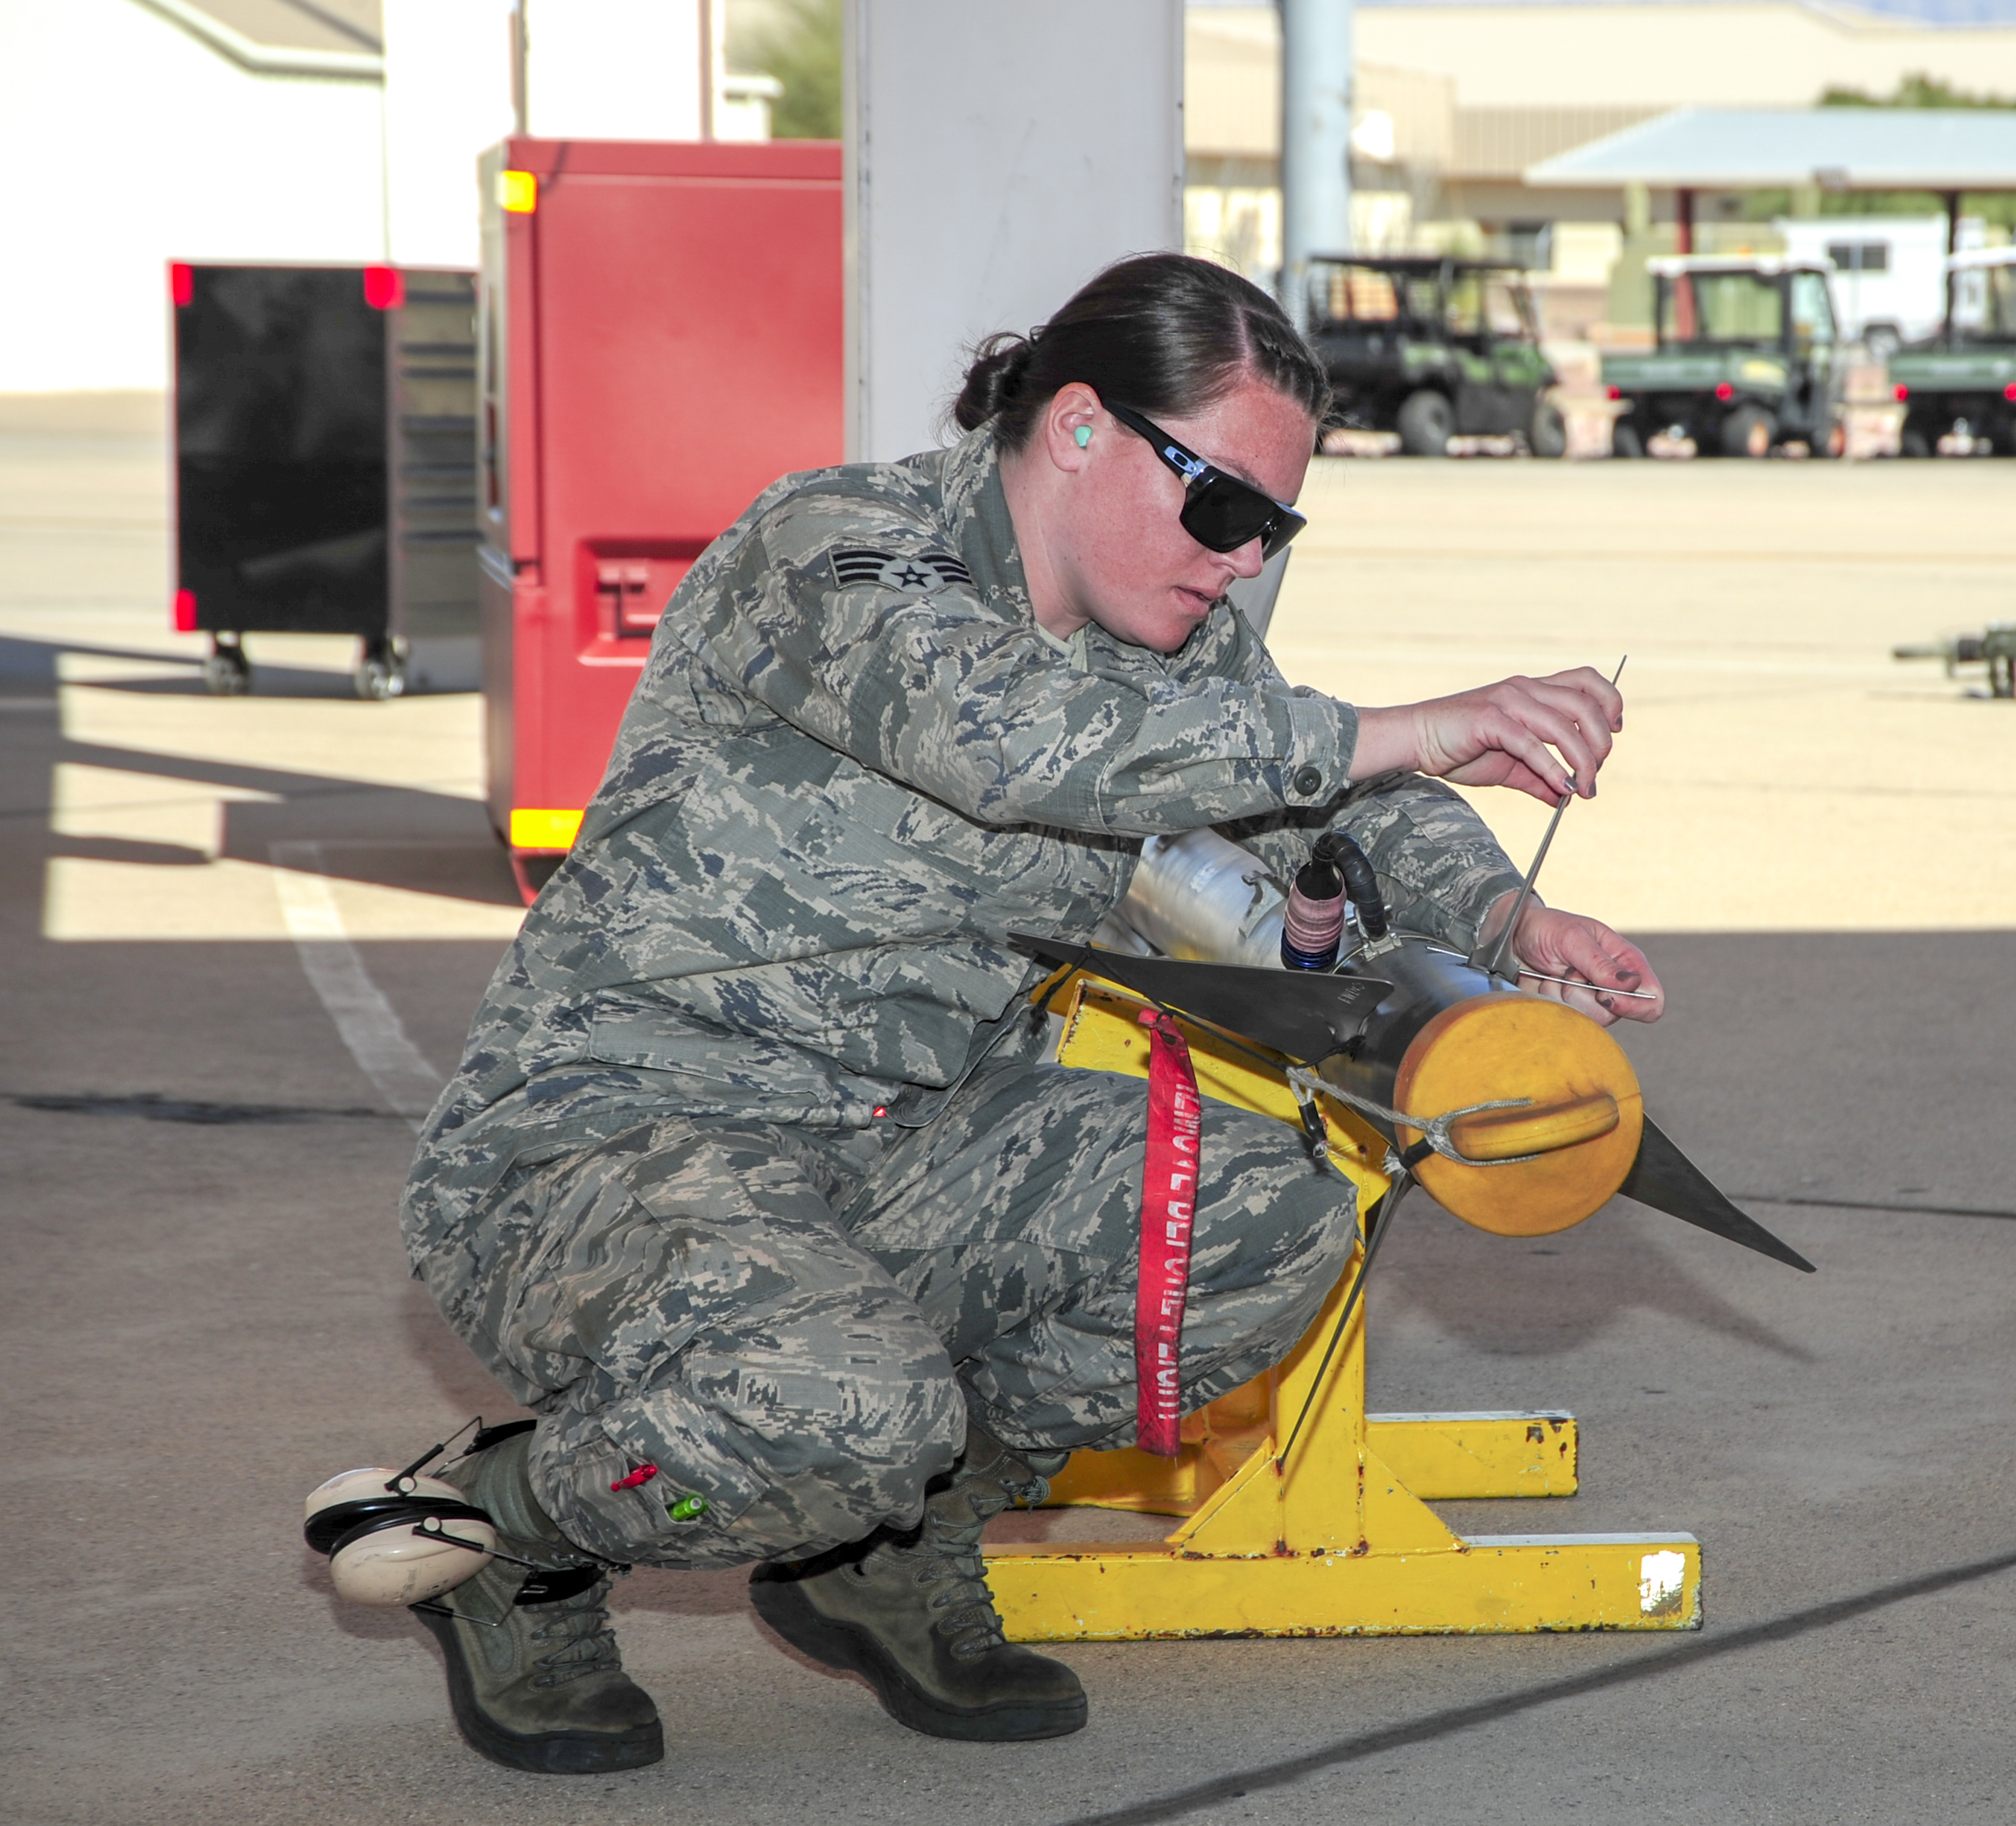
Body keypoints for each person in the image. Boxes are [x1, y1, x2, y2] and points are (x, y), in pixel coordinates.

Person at [389, 252, 1662, 1774]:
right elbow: (1010, 740)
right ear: (1077, 427)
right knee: (852, 1403)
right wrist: (1440, 716)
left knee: (1266, 1220)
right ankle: (515, 1528)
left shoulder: (1170, 641)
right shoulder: (837, 545)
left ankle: (892, 1540)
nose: (1243, 560)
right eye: (1223, 505)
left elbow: (1309, 808)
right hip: (611, 1134)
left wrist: (1512, 922)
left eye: (1273, 525)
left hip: (912, 1142)